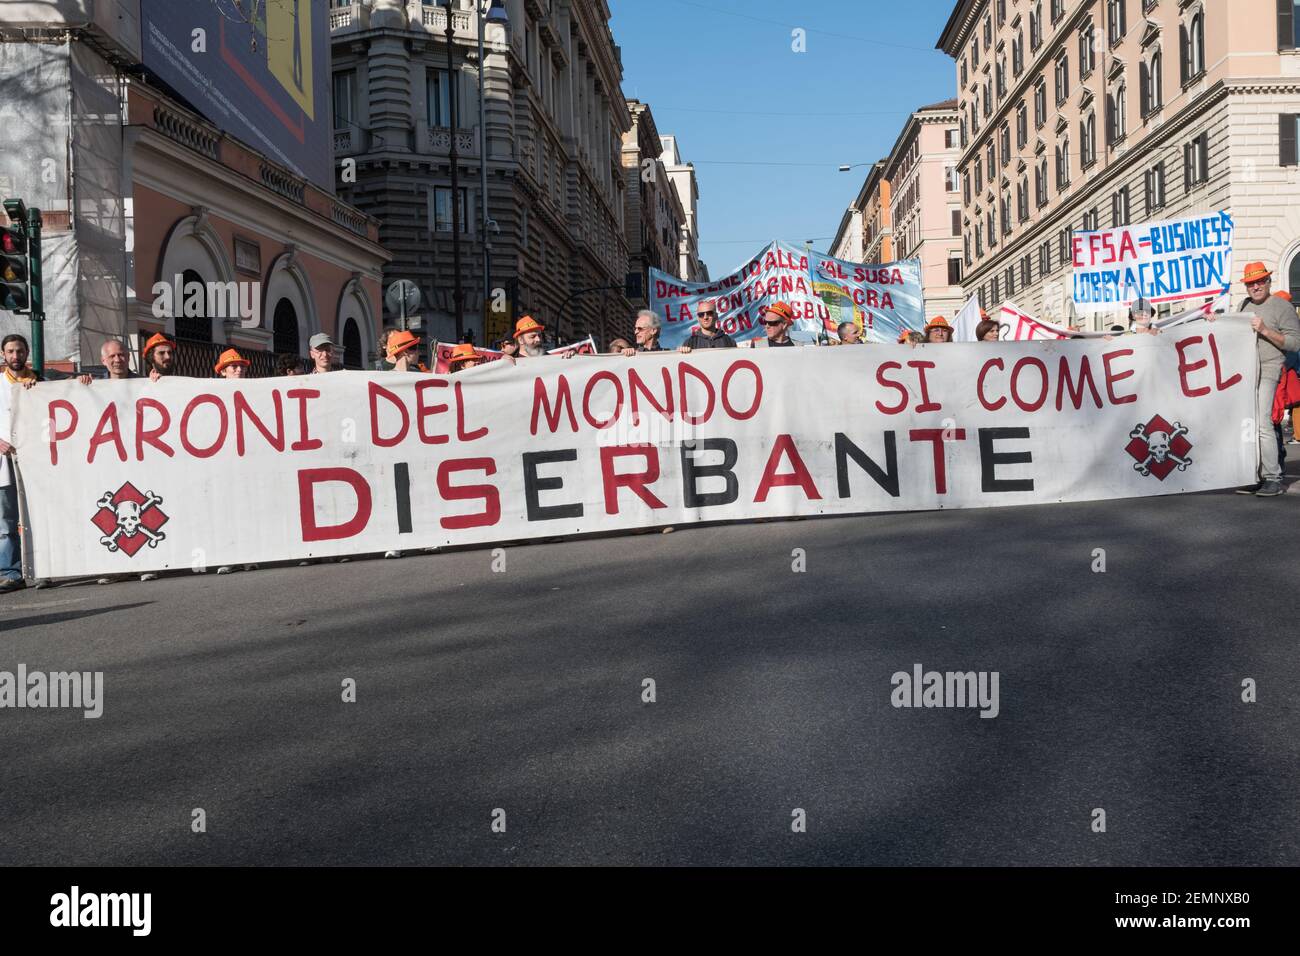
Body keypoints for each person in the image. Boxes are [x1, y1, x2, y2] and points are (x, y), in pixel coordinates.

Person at [1217, 262, 1300, 496]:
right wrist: (1215, 322)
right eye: (1251, 283)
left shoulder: (1282, 307)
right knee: (1249, 424)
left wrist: (1264, 330)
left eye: (1260, 281)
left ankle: (1273, 476)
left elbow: (1295, 343)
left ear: (1268, 282)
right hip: (1245, 370)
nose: (1256, 286)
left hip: (1269, 368)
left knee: (1263, 423)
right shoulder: (1243, 306)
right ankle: (1256, 475)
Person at [0, 334, 37, 593]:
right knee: (6, 522)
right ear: (3, 354)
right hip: (3, 463)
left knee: (40, 517)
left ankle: (45, 568)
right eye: (11, 351)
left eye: (20, 351)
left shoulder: (40, 383)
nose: (16, 356)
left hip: (35, 463)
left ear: (27, 353)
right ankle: (11, 572)